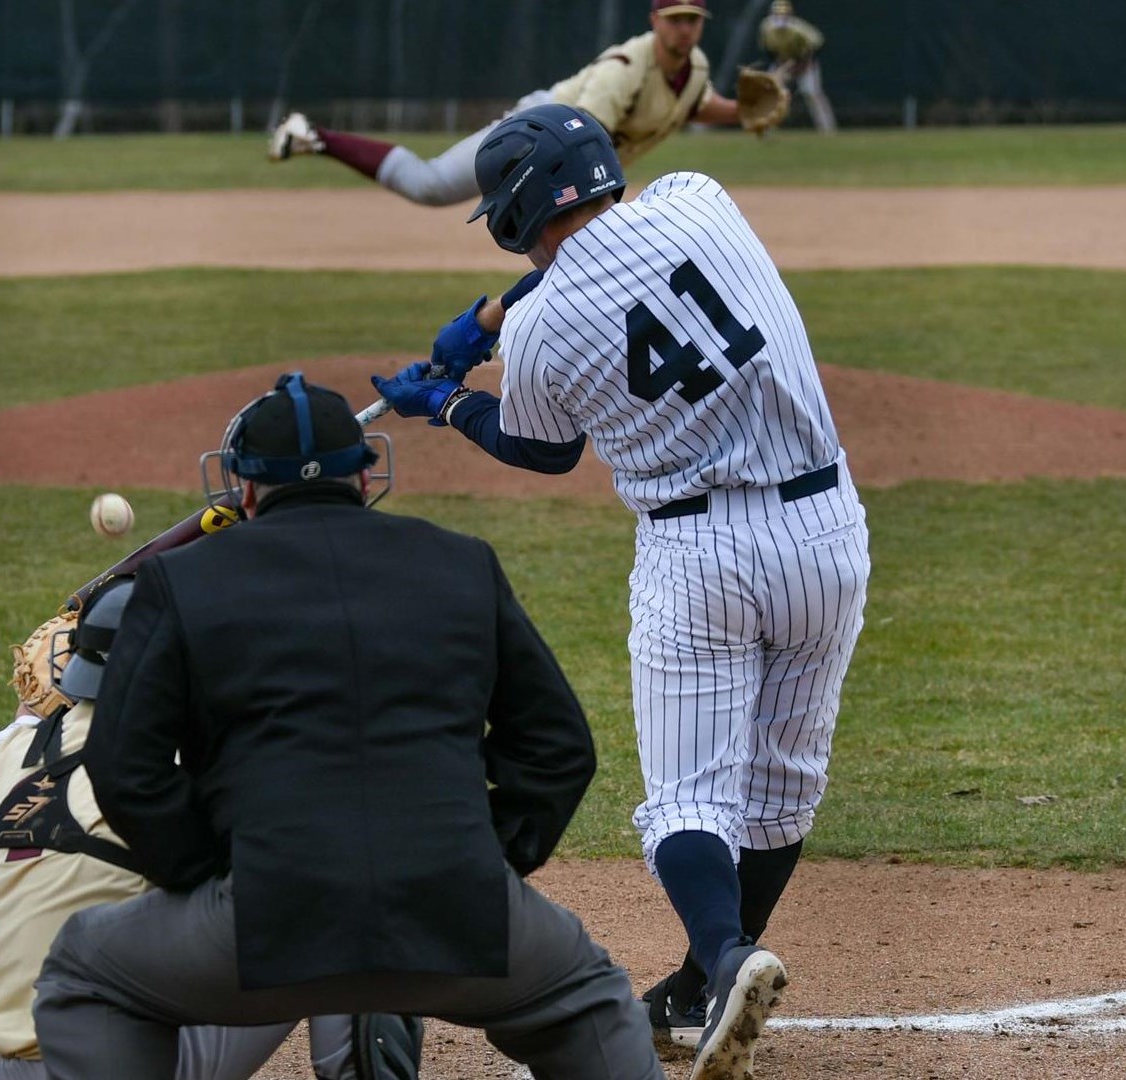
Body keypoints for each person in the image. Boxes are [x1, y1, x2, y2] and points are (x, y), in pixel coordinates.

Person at [369, 102, 871, 1080]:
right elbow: (607, 260)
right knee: (781, 784)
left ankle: (723, 963)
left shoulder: (546, 326)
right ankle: (696, 987)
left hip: (699, 555)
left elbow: (542, 450)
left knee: (686, 797)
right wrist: (488, 316)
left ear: (514, 209)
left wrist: (451, 397)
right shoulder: (701, 200)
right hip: (824, 531)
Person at [30, 373, 663, 1080]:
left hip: (260, 928)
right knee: (586, 995)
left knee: (83, 974)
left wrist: (205, 872)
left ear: (241, 487)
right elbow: (557, 750)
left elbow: (124, 769)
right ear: (365, 476)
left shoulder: (179, 582)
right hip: (459, 916)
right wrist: (487, 861)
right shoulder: (462, 565)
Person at [0, 594, 409, 1080]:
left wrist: (27, 713)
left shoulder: (4, 757)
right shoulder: (189, 762)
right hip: (107, 1065)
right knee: (349, 896)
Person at [268, 0, 780, 206]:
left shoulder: (696, 70)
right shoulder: (625, 68)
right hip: (536, 134)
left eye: (693, 19)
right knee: (430, 186)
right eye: (676, 18)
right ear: (655, 20)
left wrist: (739, 112)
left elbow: (693, 103)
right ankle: (314, 136)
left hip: (570, 154)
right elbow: (585, 137)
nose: (685, 27)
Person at [758, 0, 835, 134]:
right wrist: (780, 68)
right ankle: (765, 129)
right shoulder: (767, 27)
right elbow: (769, 50)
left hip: (805, 63)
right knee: (770, 92)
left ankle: (828, 129)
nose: (780, 18)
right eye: (777, 14)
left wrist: (799, 66)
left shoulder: (799, 30)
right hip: (782, 62)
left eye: (783, 15)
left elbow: (814, 49)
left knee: (811, 92)